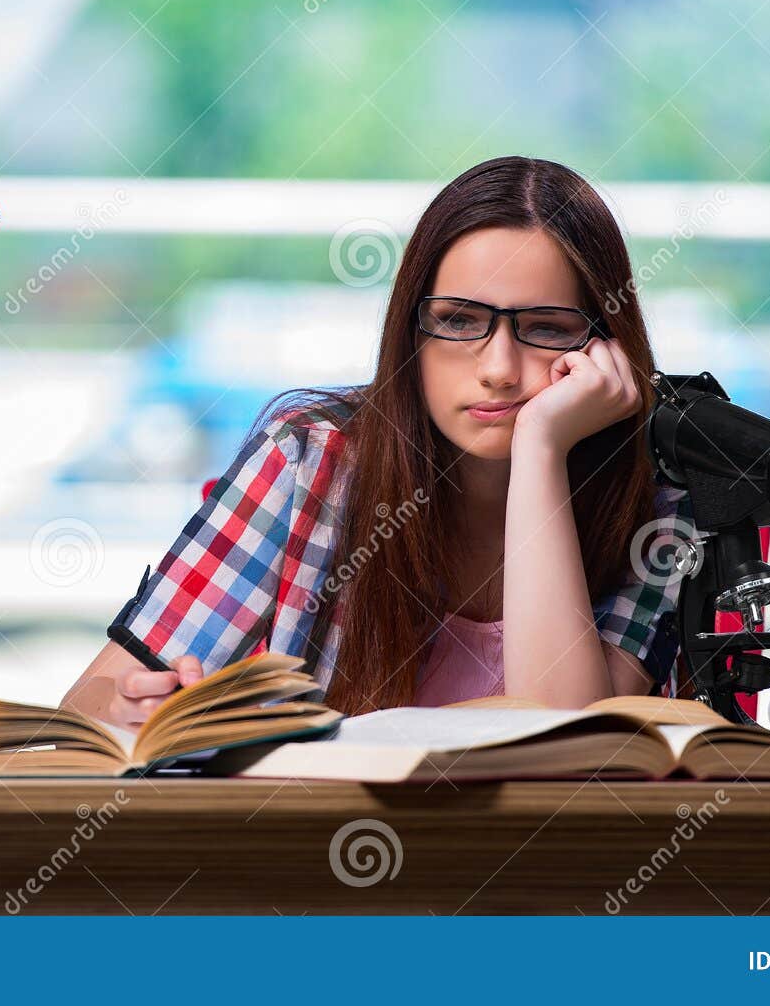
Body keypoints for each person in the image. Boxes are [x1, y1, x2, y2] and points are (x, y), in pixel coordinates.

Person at [61, 155, 692, 728]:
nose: (499, 367)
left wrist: (541, 449)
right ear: (410, 333)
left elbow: (571, 741)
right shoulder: (310, 462)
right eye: (459, 320)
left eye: (545, 328)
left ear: (605, 347)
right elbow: (86, 703)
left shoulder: (656, 504)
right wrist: (132, 707)